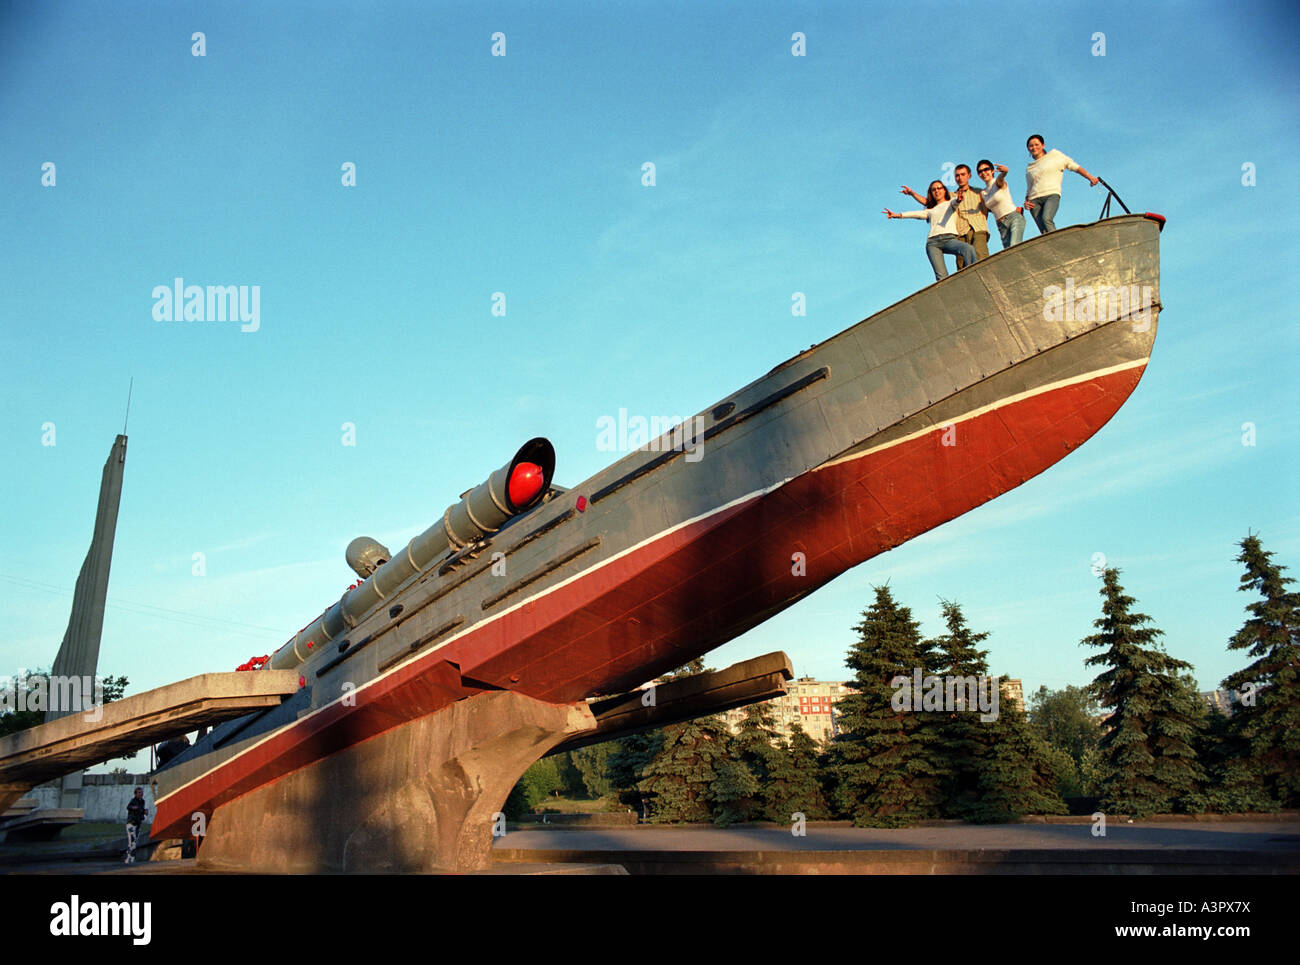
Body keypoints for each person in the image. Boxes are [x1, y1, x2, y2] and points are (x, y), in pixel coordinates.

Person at [884, 180, 978, 282]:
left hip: (949, 239)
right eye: (934, 190)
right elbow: (916, 214)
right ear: (931, 193)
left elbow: (955, 202)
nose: (937, 191)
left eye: (939, 188)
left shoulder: (950, 203)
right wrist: (897, 215)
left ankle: (974, 275)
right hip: (933, 243)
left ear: (944, 190)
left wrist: (959, 200)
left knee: (968, 249)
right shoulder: (930, 210)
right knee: (942, 277)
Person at [902, 166, 987, 268]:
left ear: (969, 175)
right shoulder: (950, 196)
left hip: (977, 228)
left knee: (980, 257)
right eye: (957, 175)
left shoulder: (979, 192)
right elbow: (930, 203)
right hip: (960, 232)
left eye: (963, 174)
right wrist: (912, 194)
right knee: (962, 265)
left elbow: (992, 204)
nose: (960, 178)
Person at [1023, 134, 1099, 234]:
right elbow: (1029, 187)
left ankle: (1058, 245)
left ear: (1043, 145)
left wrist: (1090, 177)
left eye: (1036, 144)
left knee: (1047, 218)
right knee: (1043, 231)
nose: (1034, 147)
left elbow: (1073, 166)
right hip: (1034, 200)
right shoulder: (1030, 167)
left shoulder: (1054, 155)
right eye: (1031, 146)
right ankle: (1052, 249)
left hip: (1051, 194)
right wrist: (1026, 201)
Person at [976, 160, 1025, 250]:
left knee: (1015, 247)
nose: (983, 173)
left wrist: (1005, 172)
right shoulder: (983, 193)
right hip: (1001, 225)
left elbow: (1000, 179)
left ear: (992, 171)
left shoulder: (997, 183)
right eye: (980, 171)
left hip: (1013, 218)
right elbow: (989, 210)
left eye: (986, 169)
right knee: (1008, 253)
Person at [125, 786, 147, 864]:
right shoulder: (133, 800)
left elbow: (141, 810)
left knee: (134, 842)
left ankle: (130, 858)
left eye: (142, 792)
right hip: (131, 823)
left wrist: (144, 812)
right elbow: (128, 807)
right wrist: (133, 807)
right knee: (132, 841)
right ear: (135, 794)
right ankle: (130, 859)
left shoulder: (142, 801)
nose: (141, 794)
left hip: (138, 823)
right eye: (139, 792)